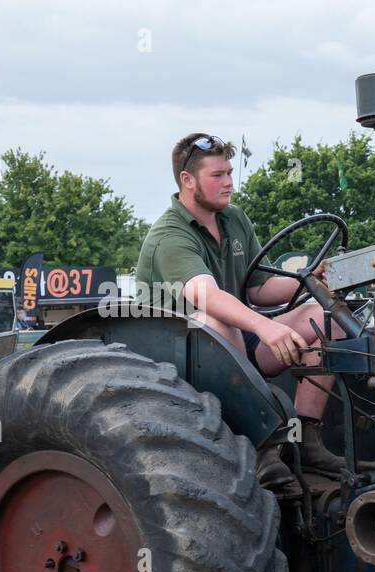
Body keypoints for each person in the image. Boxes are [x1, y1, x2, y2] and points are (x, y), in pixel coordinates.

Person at [135, 133, 349, 488]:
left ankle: (308, 437)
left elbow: (259, 288)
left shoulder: (233, 220)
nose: (229, 183)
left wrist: (313, 277)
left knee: (327, 319)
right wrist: (267, 329)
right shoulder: (169, 236)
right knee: (217, 320)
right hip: (176, 357)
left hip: (234, 342)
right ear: (187, 181)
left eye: (230, 173)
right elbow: (205, 295)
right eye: (217, 175)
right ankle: (260, 447)